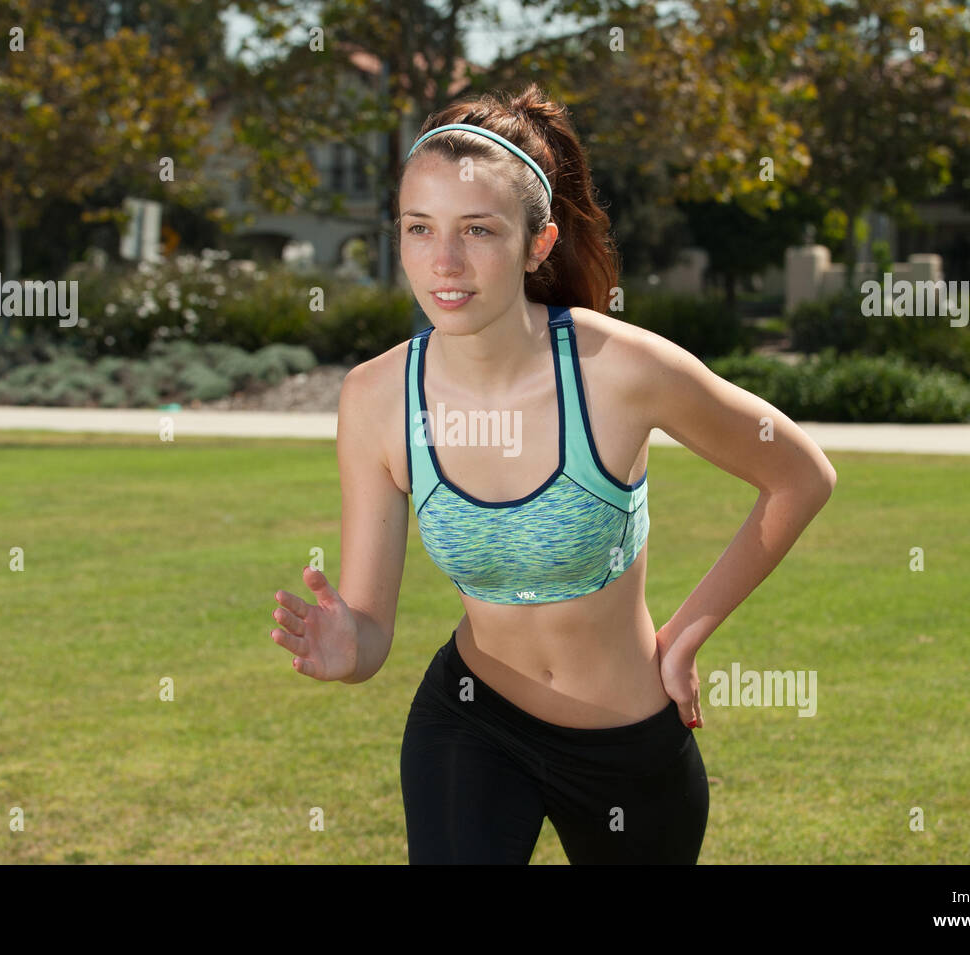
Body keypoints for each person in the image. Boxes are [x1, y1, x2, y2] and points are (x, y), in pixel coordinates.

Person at [270, 83, 837, 864]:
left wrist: (685, 636)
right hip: (470, 722)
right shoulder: (375, 399)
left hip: (627, 746)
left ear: (538, 244)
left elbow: (800, 475)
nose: (445, 261)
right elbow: (369, 628)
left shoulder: (620, 369)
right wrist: (349, 647)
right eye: (419, 229)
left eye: (478, 230)